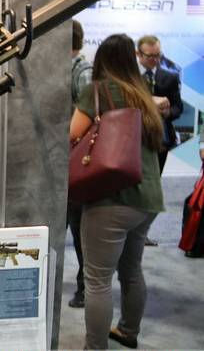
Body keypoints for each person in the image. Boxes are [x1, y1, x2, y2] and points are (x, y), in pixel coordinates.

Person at [70, 34, 164, 350]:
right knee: (132, 269)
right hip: (147, 199)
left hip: (112, 198)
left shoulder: (96, 91)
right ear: (131, 59)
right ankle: (128, 331)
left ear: (102, 60)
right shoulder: (142, 93)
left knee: (97, 281)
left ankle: (94, 347)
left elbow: (72, 135)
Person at [136, 35, 182, 247]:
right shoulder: (131, 78)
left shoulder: (169, 77)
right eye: (150, 56)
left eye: (158, 55)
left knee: (153, 186)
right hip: (133, 139)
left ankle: (142, 233)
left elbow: (177, 108)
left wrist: (163, 113)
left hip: (160, 140)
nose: (154, 60)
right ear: (139, 54)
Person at [67, 20, 90, 309]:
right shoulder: (72, 70)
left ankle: (85, 288)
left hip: (74, 163)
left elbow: (88, 123)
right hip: (64, 160)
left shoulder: (83, 73)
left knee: (80, 231)